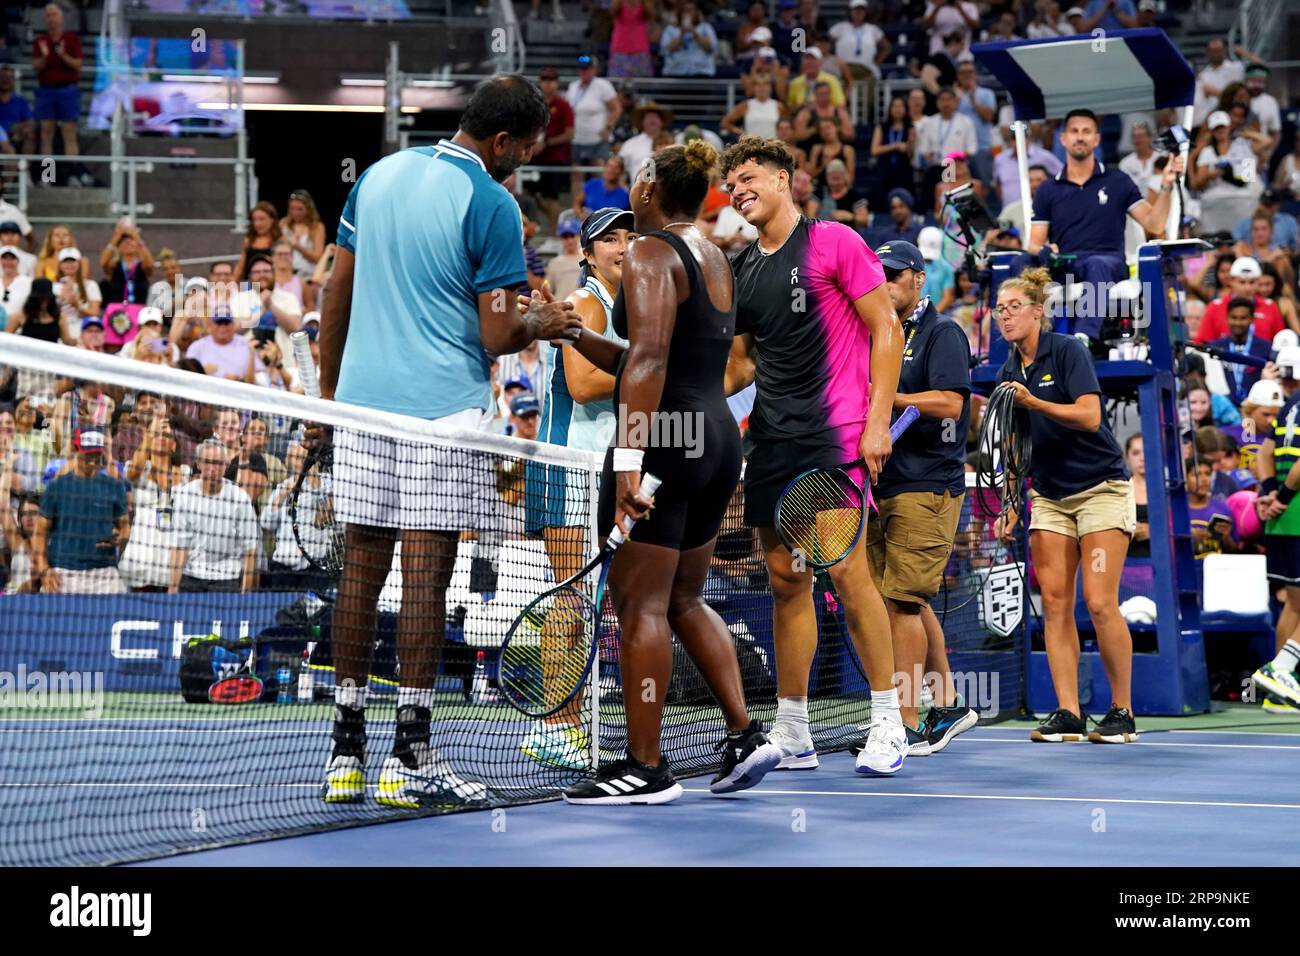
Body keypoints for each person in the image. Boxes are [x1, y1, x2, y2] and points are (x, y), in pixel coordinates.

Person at [316, 75, 582, 809]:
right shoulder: (493, 204)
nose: (522, 164)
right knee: (426, 577)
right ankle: (410, 755)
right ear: (503, 142)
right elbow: (499, 334)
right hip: (443, 413)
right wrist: (546, 325)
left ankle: (345, 753)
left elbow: (336, 292)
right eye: (524, 151)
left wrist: (327, 396)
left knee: (361, 571)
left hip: (362, 406)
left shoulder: (376, 176)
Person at [558, 140, 782, 804]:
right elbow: (655, 355)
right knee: (683, 599)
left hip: (664, 441)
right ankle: (746, 734)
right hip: (714, 438)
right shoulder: (713, 254)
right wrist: (568, 332)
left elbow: (650, 359)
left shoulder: (652, 253)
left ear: (651, 189)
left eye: (637, 183)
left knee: (641, 606)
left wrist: (629, 459)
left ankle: (645, 767)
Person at [720, 135, 907, 774]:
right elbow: (742, 363)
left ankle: (887, 721)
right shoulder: (743, 268)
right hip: (769, 441)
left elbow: (888, 327)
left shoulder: (834, 241)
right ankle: (793, 727)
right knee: (785, 581)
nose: (739, 191)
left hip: (834, 436)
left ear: (783, 178)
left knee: (848, 573)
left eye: (748, 178)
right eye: (731, 185)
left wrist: (877, 422)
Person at [993, 267, 1138, 744]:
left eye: (1015, 308)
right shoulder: (1008, 370)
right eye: (999, 309)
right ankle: (1069, 713)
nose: (1006, 316)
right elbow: (1014, 443)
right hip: (1050, 497)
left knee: (1098, 603)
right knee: (1055, 603)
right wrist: (1012, 499)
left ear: (1038, 312)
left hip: (1100, 490)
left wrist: (1039, 404)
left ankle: (1122, 712)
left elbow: (1090, 415)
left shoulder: (1068, 351)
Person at [520, 206, 633, 770]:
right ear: (587, 253)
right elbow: (584, 383)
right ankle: (554, 726)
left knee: (594, 599)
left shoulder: (624, 306)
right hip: (569, 466)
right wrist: (652, 375)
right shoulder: (587, 303)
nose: (623, 245)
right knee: (572, 596)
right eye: (610, 239)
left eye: (630, 236)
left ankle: (572, 719)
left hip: (604, 469)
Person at [865, 239, 978, 754]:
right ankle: (948, 702)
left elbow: (953, 403)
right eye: (878, 274)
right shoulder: (879, 328)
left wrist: (891, 396)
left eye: (893, 275)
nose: (885, 283)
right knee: (900, 596)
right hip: (880, 482)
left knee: (902, 602)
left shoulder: (942, 331)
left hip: (926, 483)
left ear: (917, 277)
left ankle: (906, 719)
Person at [1029, 108, 1184, 344]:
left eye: (1086, 131)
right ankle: (1013, 342)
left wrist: (1166, 185)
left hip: (1108, 261)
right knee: (1018, 262)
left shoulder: (1117, 181)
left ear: (1097, 139)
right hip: (1065, 264)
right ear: (1063, 138)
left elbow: (1154, 224)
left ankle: (1084, 337)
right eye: (1074, 131)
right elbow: (1033, 243)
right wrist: (1045, 250)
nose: (1080, 137)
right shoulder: (1048, 189)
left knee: (1096, 264)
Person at [32, 428, 129, 595]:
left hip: (104, 573)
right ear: (76, 451)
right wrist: (45, 570)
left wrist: (121, 538)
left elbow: (125, 527)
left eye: (97, 458)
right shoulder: (56, 487)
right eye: (88, 457)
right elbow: (39, 532)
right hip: (63, 572)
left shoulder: (115, 486)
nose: (93, 463)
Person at [1251, 384, 1300, 711]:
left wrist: (1270, 492)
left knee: (1294, 605)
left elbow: (1264, 453)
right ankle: (1281, 667)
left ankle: (1278, 690)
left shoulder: (1292, 402)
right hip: (1293, 509)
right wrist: (1282, 498)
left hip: (1281, 521)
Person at [169, 438, 258, 594]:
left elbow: (250, 550)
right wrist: (173, 588)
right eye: (207, 462)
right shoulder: (184, 496)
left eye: (217, 463)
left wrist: (245, 596)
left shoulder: (240, 499)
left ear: (225, 465)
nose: (212, 469)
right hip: (191, 577)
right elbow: (179, 547)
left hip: (226, 579)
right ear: (198, 464)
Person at [119, 412, 188, 591]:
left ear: (174, 445)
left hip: (170, 565)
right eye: (157, 436)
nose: (161, 439)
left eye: (166, 436)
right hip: (139, 561)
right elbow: (131, 473)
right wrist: (149, 434)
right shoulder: (140, 470)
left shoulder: (186, 474)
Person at [262, 441, 332, 592]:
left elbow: (328, 516)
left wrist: (315, 483)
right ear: (289, 460)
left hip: (315, 566)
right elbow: (267, 523)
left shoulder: (327, 484)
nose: (300, 462)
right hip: (284, 566)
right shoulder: (283, 486)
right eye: (295, 457)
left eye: (304, 458)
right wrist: (281, 497)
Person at [32, 3, 85, 182]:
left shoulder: (71, 39)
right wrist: (46, 57)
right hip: (47, 89)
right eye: (48, 15)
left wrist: (63, 55)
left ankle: (72, 174)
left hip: (67, 89)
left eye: (54, 15)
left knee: (68, 132)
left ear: (61, 18)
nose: (51, 19)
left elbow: (78, 64)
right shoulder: (40, 41)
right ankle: (48, 176)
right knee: (46, 132)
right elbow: (36, 67)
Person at [1193, 256, 1284, 344]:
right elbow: (1202, 343)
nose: (1247, 288)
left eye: (1252, 282)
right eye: (1242, 282)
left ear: (1258, 282)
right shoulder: (1214, 307)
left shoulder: (1270, 307)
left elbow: (1281, 342)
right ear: (1231, 281)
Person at [1209, 296, 1273, 404]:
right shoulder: (1215, 347)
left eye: (1243, 318)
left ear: (1252, 319)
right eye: (1233, 317)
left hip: (1256, 407)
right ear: (1227, 318)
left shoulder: (1266, 347)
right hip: (1225, 410)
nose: (1238, 323)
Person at [185, 306, 255, 383]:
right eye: (218, 322)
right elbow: (186, 375)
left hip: (238, 391)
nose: (222, 327)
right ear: (210, 325)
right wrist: (201, 371)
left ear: (233, 324)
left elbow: (261, 376)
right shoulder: (197, 346)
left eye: (226, 322)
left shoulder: (246, 344)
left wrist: (240, 380)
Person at [870, 95, 917, 207]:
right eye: (895, 106)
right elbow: (874, 150)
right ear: (890, 109)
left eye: (901, 106)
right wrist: (895, 146)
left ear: (905, 109)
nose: (897, 109)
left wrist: (910, 143)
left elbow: (911, 154)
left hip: (903, 170)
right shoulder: (882, 127)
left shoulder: (910, 127)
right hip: (885, 169)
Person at [278, 189, 327, 288]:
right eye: (292, 209)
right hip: (288, 276)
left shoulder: (317, 227)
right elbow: (278, 252)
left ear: (308, 209)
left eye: (300, 209)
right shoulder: (284, 224)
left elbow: (318, 258)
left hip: (309, 277)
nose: (296, 213)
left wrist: (297, 246)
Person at [659, 0, 718, 77]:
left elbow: (710, 48)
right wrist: (682, 34)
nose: (688, 13)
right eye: (685, 11)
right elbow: (666, 50)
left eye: (691, 10)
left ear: (696, 12)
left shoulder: (706, 27)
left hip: (701, 73)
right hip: (675, 73)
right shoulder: (670, 29)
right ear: (680, 12)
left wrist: (694, 32)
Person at [720, 75, 783, 143]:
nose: (762, 88)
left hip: (772, 145)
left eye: (765, 84)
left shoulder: (778, 106)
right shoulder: (746, 105)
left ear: (770, 87)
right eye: (758, 85)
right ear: (753, 88)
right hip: (752, 145)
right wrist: (740, 132)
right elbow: (725, 123)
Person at [234, 201, 281, 281]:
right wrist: (232, 283)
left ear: (272, 220)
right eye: (254, 219)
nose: (257, 224)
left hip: (271, 283)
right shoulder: (249, 240)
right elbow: (240, 267)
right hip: (249, 283)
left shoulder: (280, 240)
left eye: (262, 219)